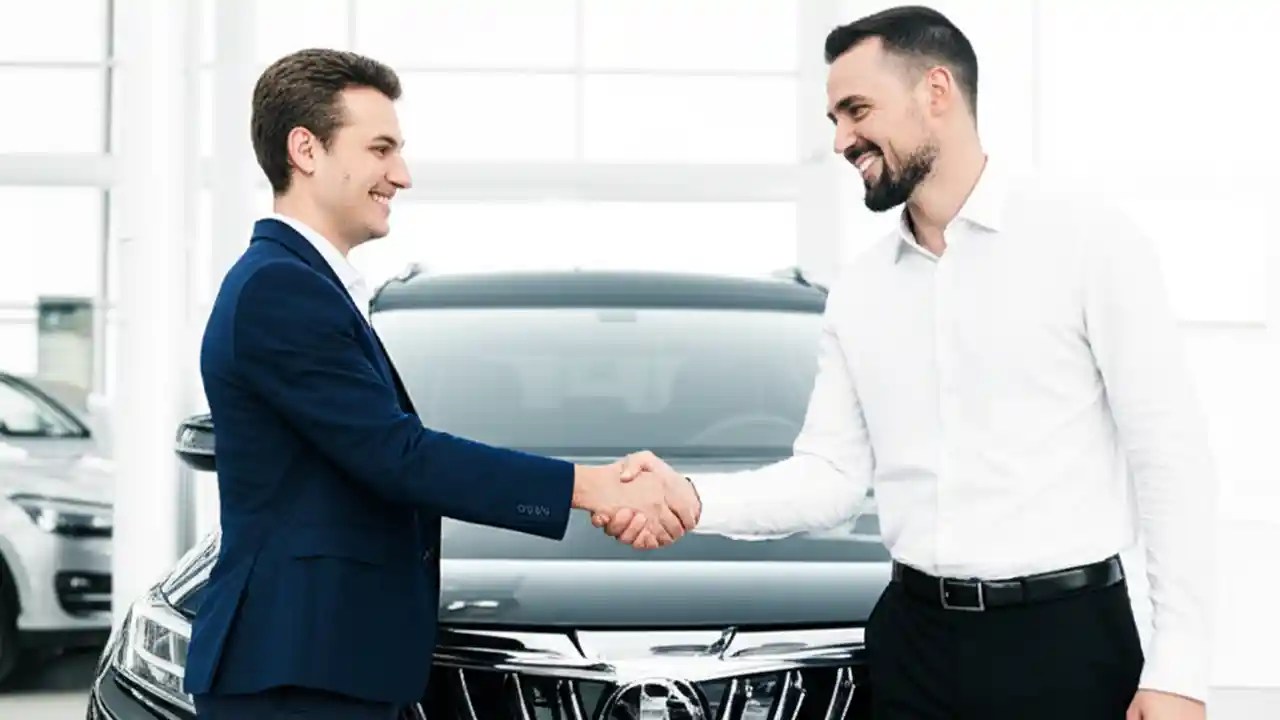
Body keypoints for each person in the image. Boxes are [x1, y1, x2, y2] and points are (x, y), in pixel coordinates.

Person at [594, 6, 1215, 719]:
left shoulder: (1087, 240)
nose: (840, 140)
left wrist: (1180, 669)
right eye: (832, 118)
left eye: (856, 111)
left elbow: (1169, 454)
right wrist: (693, 501)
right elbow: (830, 477)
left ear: (937, 92)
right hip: (911, 645)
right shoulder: (861, 288)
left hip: (1064, 646)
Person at [184, 49, 697, 719]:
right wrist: (589, 486)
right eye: (380, 149)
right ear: (305, 149)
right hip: (298, 671)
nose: (401, 174)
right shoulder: (280, 290)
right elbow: (398, 456)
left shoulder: (300, 285)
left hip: (328, 664)